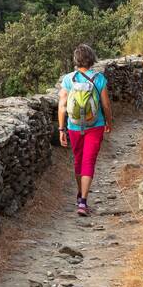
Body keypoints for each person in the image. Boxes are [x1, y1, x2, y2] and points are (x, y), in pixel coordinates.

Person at [57, 44, 112, 216]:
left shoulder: (68, 79)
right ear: (92, 59)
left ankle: (80, 194)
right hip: (95, 125)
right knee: (89, 161)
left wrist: (61, 129)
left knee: (78, 161)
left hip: (73, 126)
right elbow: (106, 105)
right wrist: (109, 122)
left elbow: (62, 106)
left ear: (76, 60)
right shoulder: (99, 79)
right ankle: (83, 202)